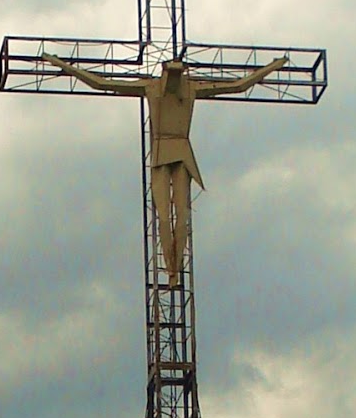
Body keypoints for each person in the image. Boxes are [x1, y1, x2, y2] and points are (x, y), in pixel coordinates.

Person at [42, 53, 288, 282]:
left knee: (181, 216)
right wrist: (63, 66)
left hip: (180, 153)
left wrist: (274, 66)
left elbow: (239, 86)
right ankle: (171, 268)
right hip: (163, 153)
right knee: (164, 215)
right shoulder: (154, 87)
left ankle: (175, 268)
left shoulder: (186, 87)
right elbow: (99, 82)